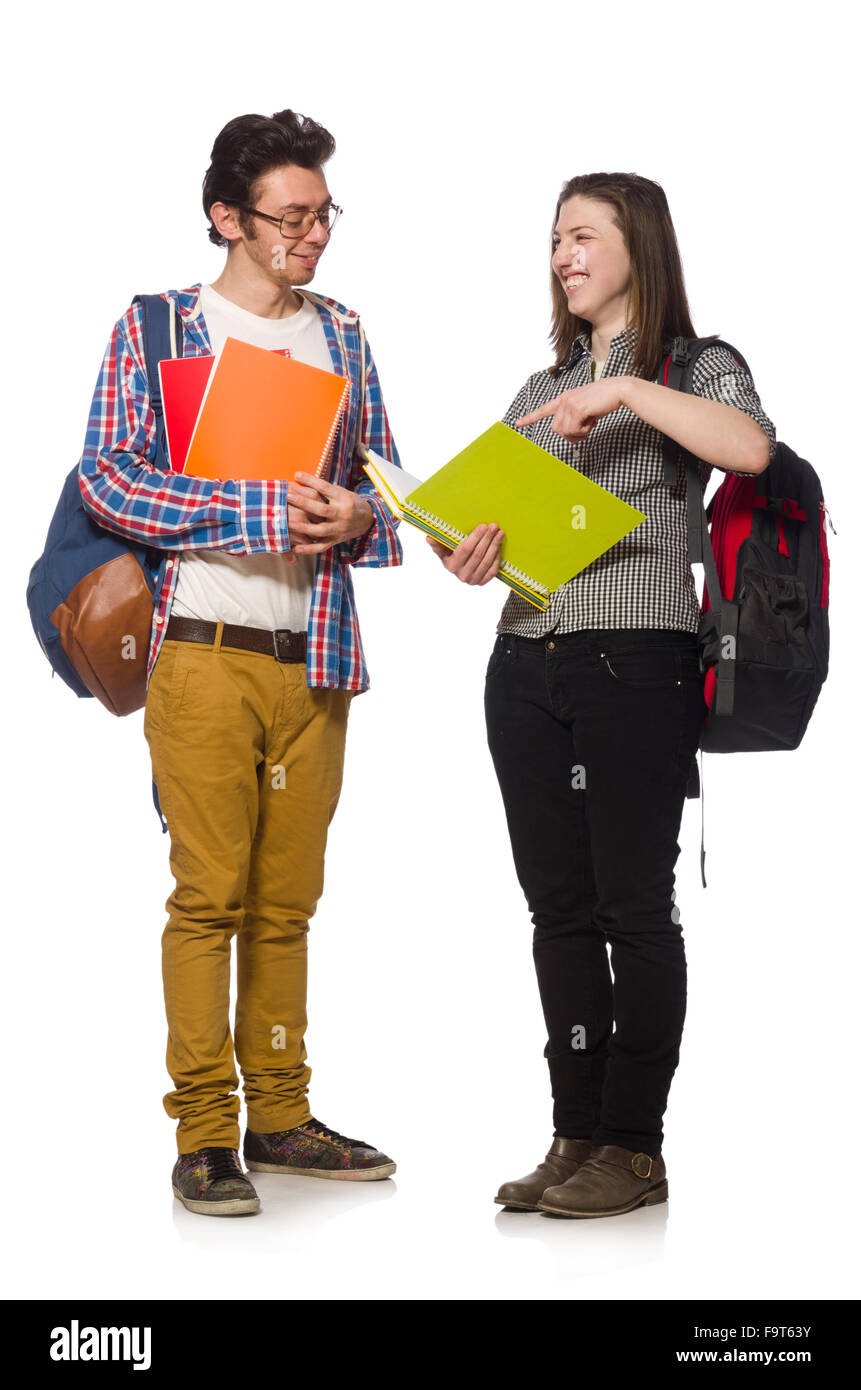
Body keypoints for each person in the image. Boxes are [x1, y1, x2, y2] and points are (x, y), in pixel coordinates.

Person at [426, 172, 776, 1219]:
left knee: (635, 909)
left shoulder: (696, 366)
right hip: (526, 663)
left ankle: (634, 1146)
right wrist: (467, 548)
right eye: (555, 239)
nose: (563, 254)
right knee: (560, 912)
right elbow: (480, 516)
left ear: (640, 247)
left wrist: (622, 392)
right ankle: (575, 1133)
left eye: (585, 235)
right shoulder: (538, 388)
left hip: (638, 662)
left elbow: (749, 448)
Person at [78, 109, 403, 1217]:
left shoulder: (344, 333)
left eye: (324, 215)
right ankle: (206, 1133)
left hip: (313, 656)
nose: (313, 235)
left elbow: (393, 504)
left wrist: (357, 509)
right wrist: (260, 501)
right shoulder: (161, 327)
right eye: (291, 216)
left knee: (287, 901)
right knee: (208, 896)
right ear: (228, 217)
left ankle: (281, 1114)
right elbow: (110, 482)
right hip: (203, 654)